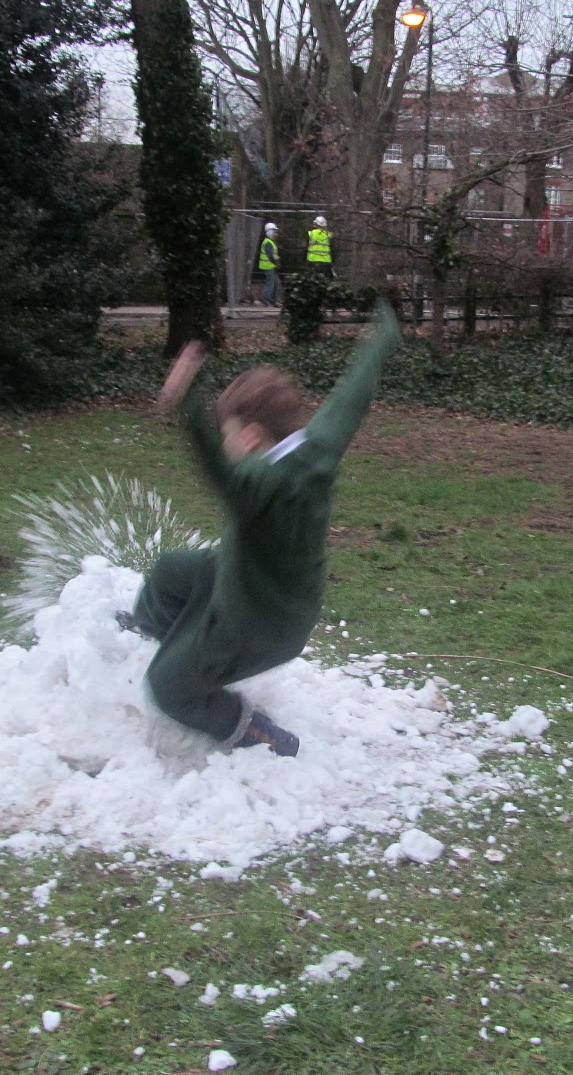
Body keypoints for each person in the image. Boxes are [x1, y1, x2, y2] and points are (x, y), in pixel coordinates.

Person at [119, 302, 401, 757]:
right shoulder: (316, 447)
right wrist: (382, 334)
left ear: (250, 437)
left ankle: (253, 731)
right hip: (260, 586)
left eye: (229, 432)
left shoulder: (261, 483)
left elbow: (218, 471)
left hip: (253, 624)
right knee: (173, 569)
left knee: (165, 686)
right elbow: (352, 394)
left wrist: (190, 403)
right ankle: (153, 632)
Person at [257, 222, 280, 306]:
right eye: (274, 232)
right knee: (271, 283)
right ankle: (267, 301)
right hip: (268, 266)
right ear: (270, 232)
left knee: (276, 283)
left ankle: (273, 300)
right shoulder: (268, 243)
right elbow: (270, 255)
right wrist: (276, 263)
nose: (276, 234)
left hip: (271, 266)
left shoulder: (270, 242)